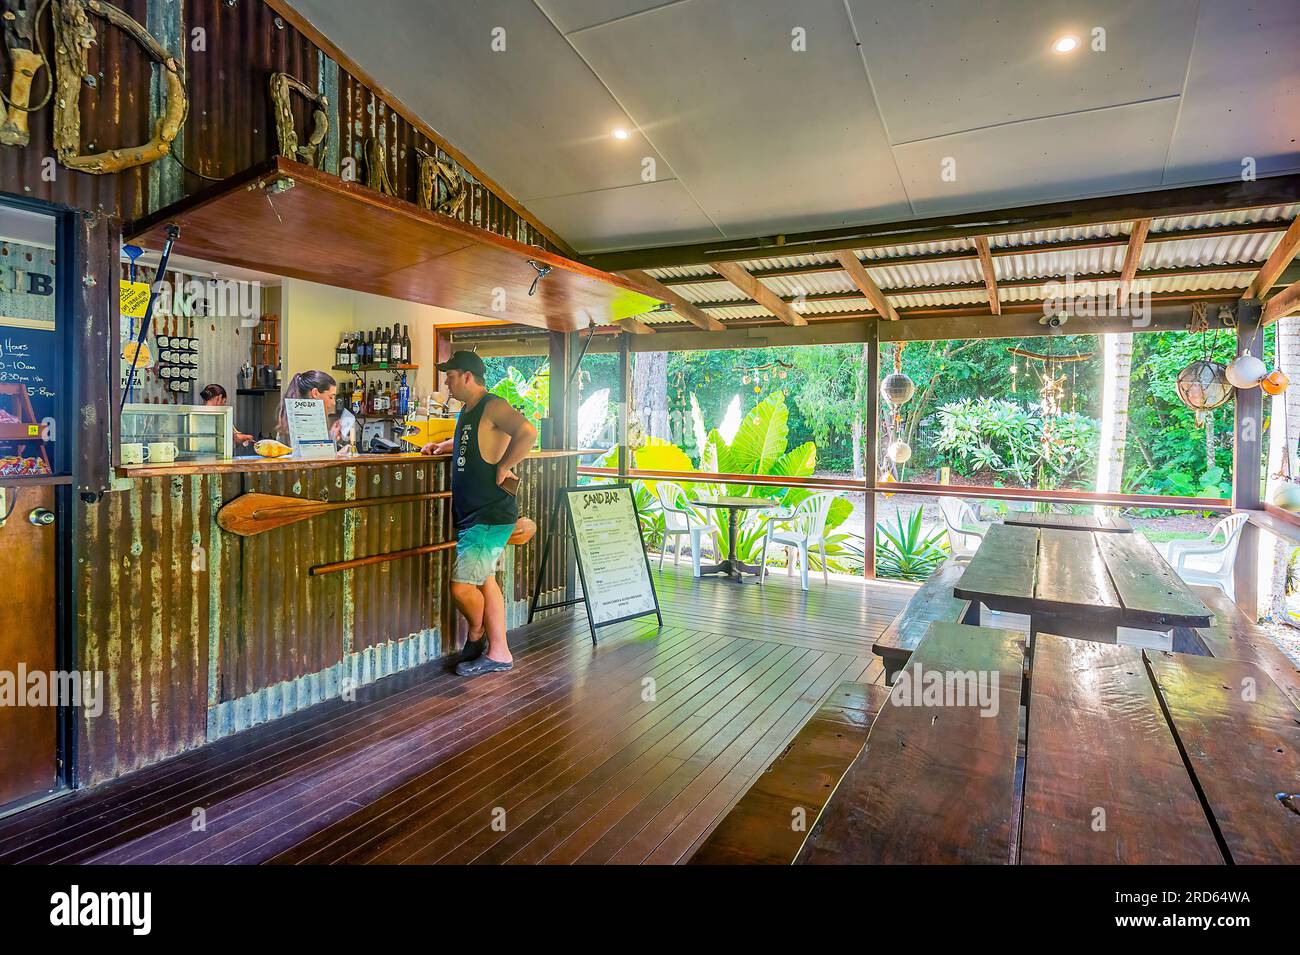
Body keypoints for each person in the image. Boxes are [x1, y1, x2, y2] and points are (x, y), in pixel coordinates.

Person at [421, 350, 536, 677]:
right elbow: (470, 443)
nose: (446, 381)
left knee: (461, 587)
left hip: (488, 514)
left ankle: (476, 634)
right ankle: (499, 652)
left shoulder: (493, 404)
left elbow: (528, 431)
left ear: (468, 377)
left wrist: (505, 465)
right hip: (475, 514)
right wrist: (444, 446)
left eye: (451, 375)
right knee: (485, 581)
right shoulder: (469, 411)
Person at [276, 370, 340, 445]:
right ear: (315, 393)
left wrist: (331, 437)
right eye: (331, 397)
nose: (333, 403)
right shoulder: (306, 423)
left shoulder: (292, 417)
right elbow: (312, 454)